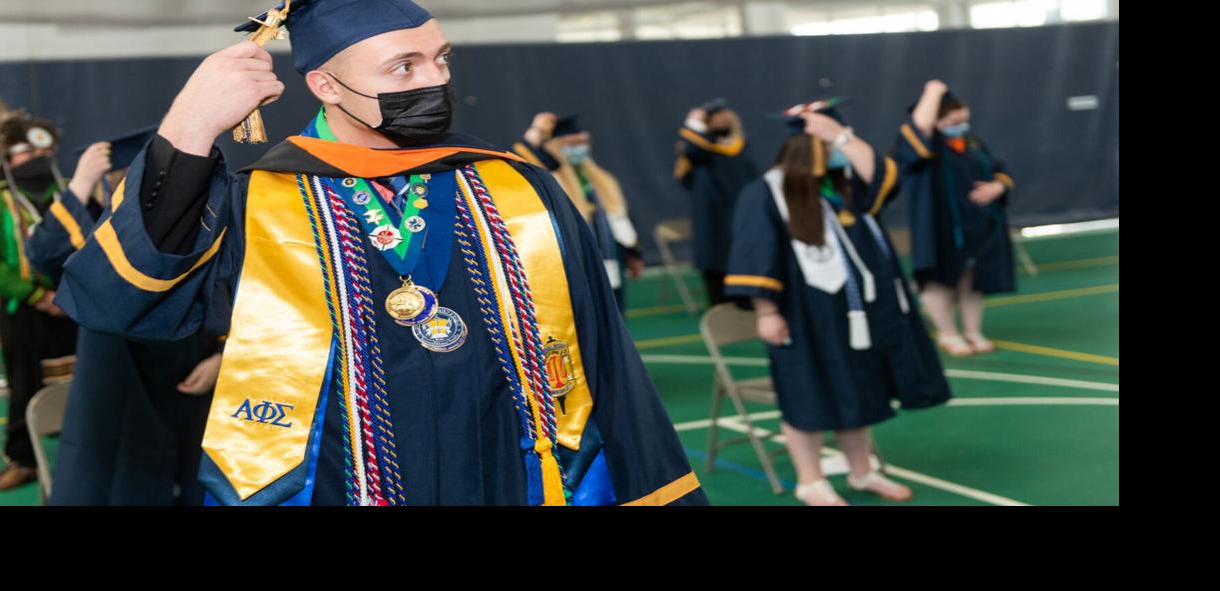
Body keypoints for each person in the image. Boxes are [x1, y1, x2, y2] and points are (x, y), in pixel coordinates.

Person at [56, 0, 704, 506]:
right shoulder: (262, 201)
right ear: (327, 86)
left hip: (511, 471)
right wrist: (189, 127)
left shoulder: (517, 185)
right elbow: (116, 301)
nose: (436, 79)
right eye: (403, 67)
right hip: (336, 480)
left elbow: (603, 355)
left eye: (440, 58)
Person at [725, 98, 949, 506]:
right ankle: (811, 480)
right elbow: (754, 251)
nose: (837, 152)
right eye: (829, 145)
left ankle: (862, 471)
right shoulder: (767, 192)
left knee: (859, 387)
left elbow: (884, 177)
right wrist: (767, 311)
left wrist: (840, 135)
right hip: (801, 314)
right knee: (806, 391)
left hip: (854, 313)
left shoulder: (845, 188)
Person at [26, 126, 226, 505]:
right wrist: (81, 183)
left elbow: (237, 297)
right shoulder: (104, 239)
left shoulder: (203, 227)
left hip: (194, 383)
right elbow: (44, 253)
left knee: (199, 483)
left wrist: (221, 356)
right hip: (123, 389)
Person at [0, 94, 79, 490]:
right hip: (24, 312)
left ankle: (83, 444)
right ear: (5, 162)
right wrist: (36, 296)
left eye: (37, 152)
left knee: (84, 379)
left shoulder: (68, 196)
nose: (34, 161)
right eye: (23, 154)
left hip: (76, 305)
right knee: (25, 385)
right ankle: (23, 458)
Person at [894, 80, 1017, 357]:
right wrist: (933, 92)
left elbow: (998, 169)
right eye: (949, 114)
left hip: (977, 225)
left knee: (972, 279)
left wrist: (998, 186)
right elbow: (918, 132)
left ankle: (973, 330)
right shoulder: (922, 147)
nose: (958, 118)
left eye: (960, 111)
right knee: (938, 279)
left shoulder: (972, 143)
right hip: (940, 226)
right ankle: (948, 334)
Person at [516, 112, 643, 312]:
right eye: (571, 144)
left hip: (610, 254)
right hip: (574, 257)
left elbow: (620, 218)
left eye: (582, 142)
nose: (579, 148)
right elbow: (525, 158)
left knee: (615, 311)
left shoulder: (600, 179)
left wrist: (633, 253)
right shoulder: (552, 177)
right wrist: (537, 131)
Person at [674, 98, 758, 308]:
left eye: (724, 116)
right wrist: (694, 122)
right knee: (715, 265)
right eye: (714, 117)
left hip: (738, 216)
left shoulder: (740, 147)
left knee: (741, 262)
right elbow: (692, 150)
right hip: (711, 221)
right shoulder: (700, 154)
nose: (720, 120)